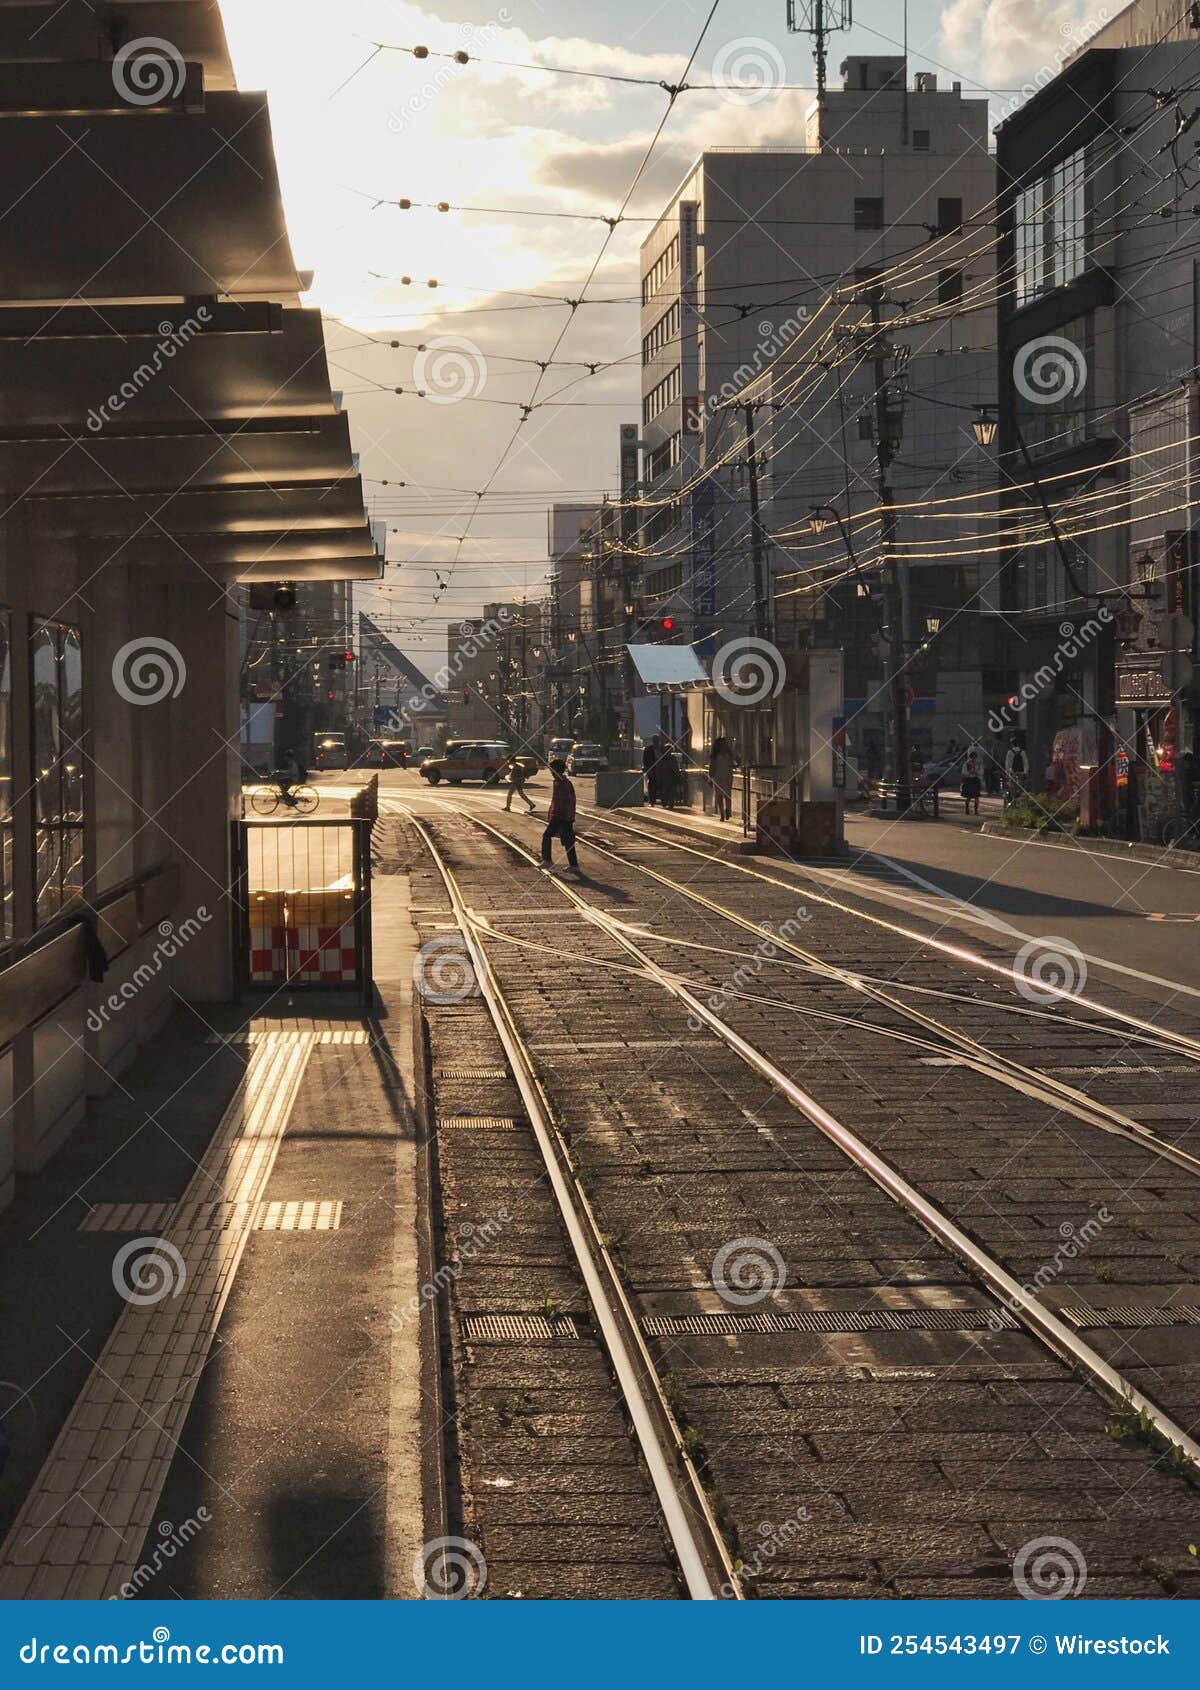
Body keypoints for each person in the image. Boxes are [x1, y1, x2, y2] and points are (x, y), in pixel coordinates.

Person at [540, 759, 580, 876]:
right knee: (568, 841)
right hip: (562, 815)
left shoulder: (563, 783)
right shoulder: (559, 781)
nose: (550, 772)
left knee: (547, 835)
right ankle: (574, 865)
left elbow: (567, 801)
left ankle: (547, 860)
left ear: (556, 770)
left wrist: (562, 816)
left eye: (552, 770)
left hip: (562, 816)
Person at [709, 735, 735, 822]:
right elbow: (712, 766)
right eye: (722, 744)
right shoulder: (715, 756)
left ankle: (727, 810)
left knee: (727, 795)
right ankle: (722, 814)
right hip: (718, 777)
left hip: (727, 776)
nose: (724, 745)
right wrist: (710, 777)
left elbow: (734, 764)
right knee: (719, 795)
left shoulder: (729, 754)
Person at [1005, 737, 1029, 803]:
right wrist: (1025, 772)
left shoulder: (1010, 752)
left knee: (1012, 786)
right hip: (1021, 772)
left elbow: (1008, 763)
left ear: (1011, 744)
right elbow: (1025, 762)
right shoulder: (1022, 752)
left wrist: (1008, 772)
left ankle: (1013, 800)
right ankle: (1020, 800)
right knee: (1020, 786)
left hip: (1013, 773)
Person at [960, 747, 983, 816]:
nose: (973, 759)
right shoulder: (966, 764)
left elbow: (981, 772)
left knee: (976, 796)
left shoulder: (978, 764)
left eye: (974, 758)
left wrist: (977, 772)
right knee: (968, 796)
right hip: (969, 780)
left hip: (975, 780)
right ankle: (967, 809)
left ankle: (976, 810)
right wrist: (970, 773)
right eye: (972, 757)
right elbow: (964, 772)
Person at [643, 735, 661, 806]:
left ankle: (659, 799)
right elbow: (645, 760)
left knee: (658, 784)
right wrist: (647, 769)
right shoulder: (647, 749)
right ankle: (652, 801)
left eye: (657, 740)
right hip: (652, 769)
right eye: (655, 740)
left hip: (660, 769)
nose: (656, 742)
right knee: (652, 784)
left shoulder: (661, 749)